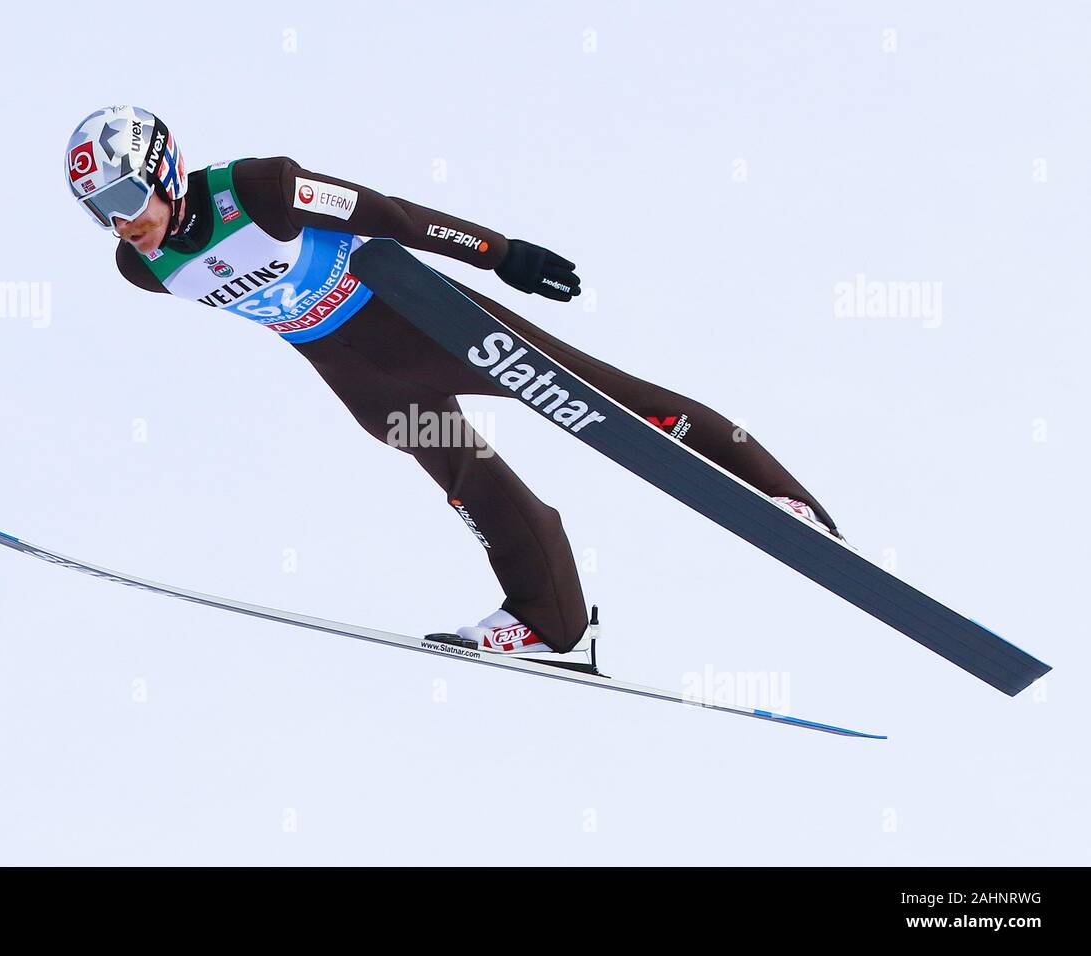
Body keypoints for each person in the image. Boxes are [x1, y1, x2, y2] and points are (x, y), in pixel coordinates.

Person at [65, 105, 840, 657]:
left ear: (163, 170)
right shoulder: (143, 268)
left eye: (127, 198)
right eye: (99, 211)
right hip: (362, 376)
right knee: (472, 483)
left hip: (425, 323)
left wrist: (501, 254)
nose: (121, 222)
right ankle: (551, 622)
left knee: (599, 398)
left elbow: (392, 217)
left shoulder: (258, 188)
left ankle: (778, 495)